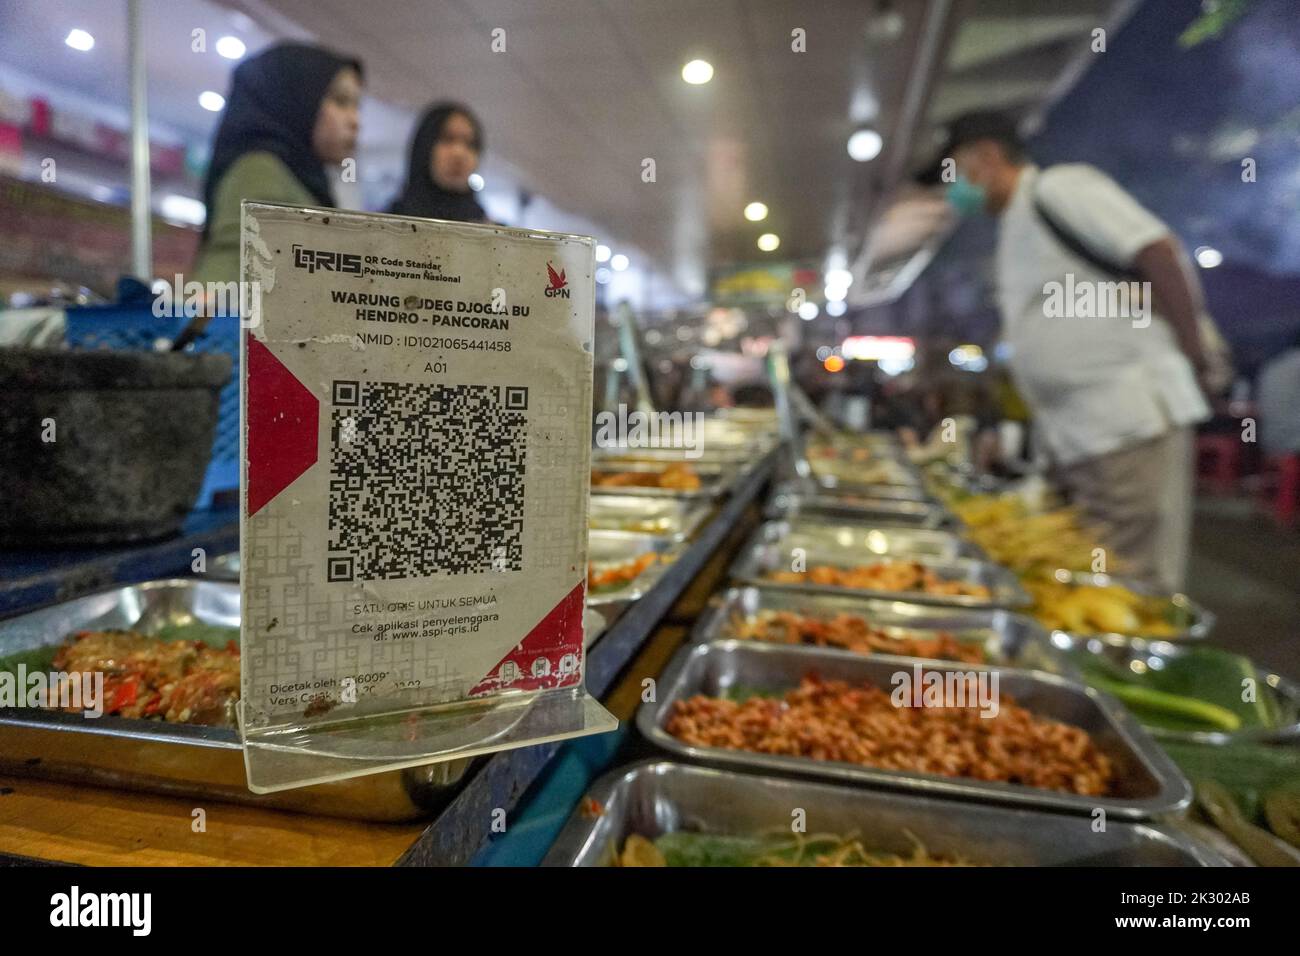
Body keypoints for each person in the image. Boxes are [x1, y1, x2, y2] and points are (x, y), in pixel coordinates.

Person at [938, 110, 1220, 590]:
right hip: (1078, 433)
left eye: (953, 172)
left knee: (1132, 573)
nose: (952, 188)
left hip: (1127, 418)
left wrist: (1195, 358)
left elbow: (1155, 251)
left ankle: (1131, 661)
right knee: (1093, 570)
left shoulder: (1059, 189)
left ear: (986, 156)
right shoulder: (1014, 226)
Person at [193, 43, 363, 284]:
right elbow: (231, 269)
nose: (355, 120)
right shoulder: (260, 170)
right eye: (341, 101)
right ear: (298, 98)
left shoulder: (301, 179)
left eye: (357, 105)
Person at [387, 103, 487, 222]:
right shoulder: (388, 225)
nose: (459, 153)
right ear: (425, 147)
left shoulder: (493, 233)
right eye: (447, 139)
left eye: (470, 144)